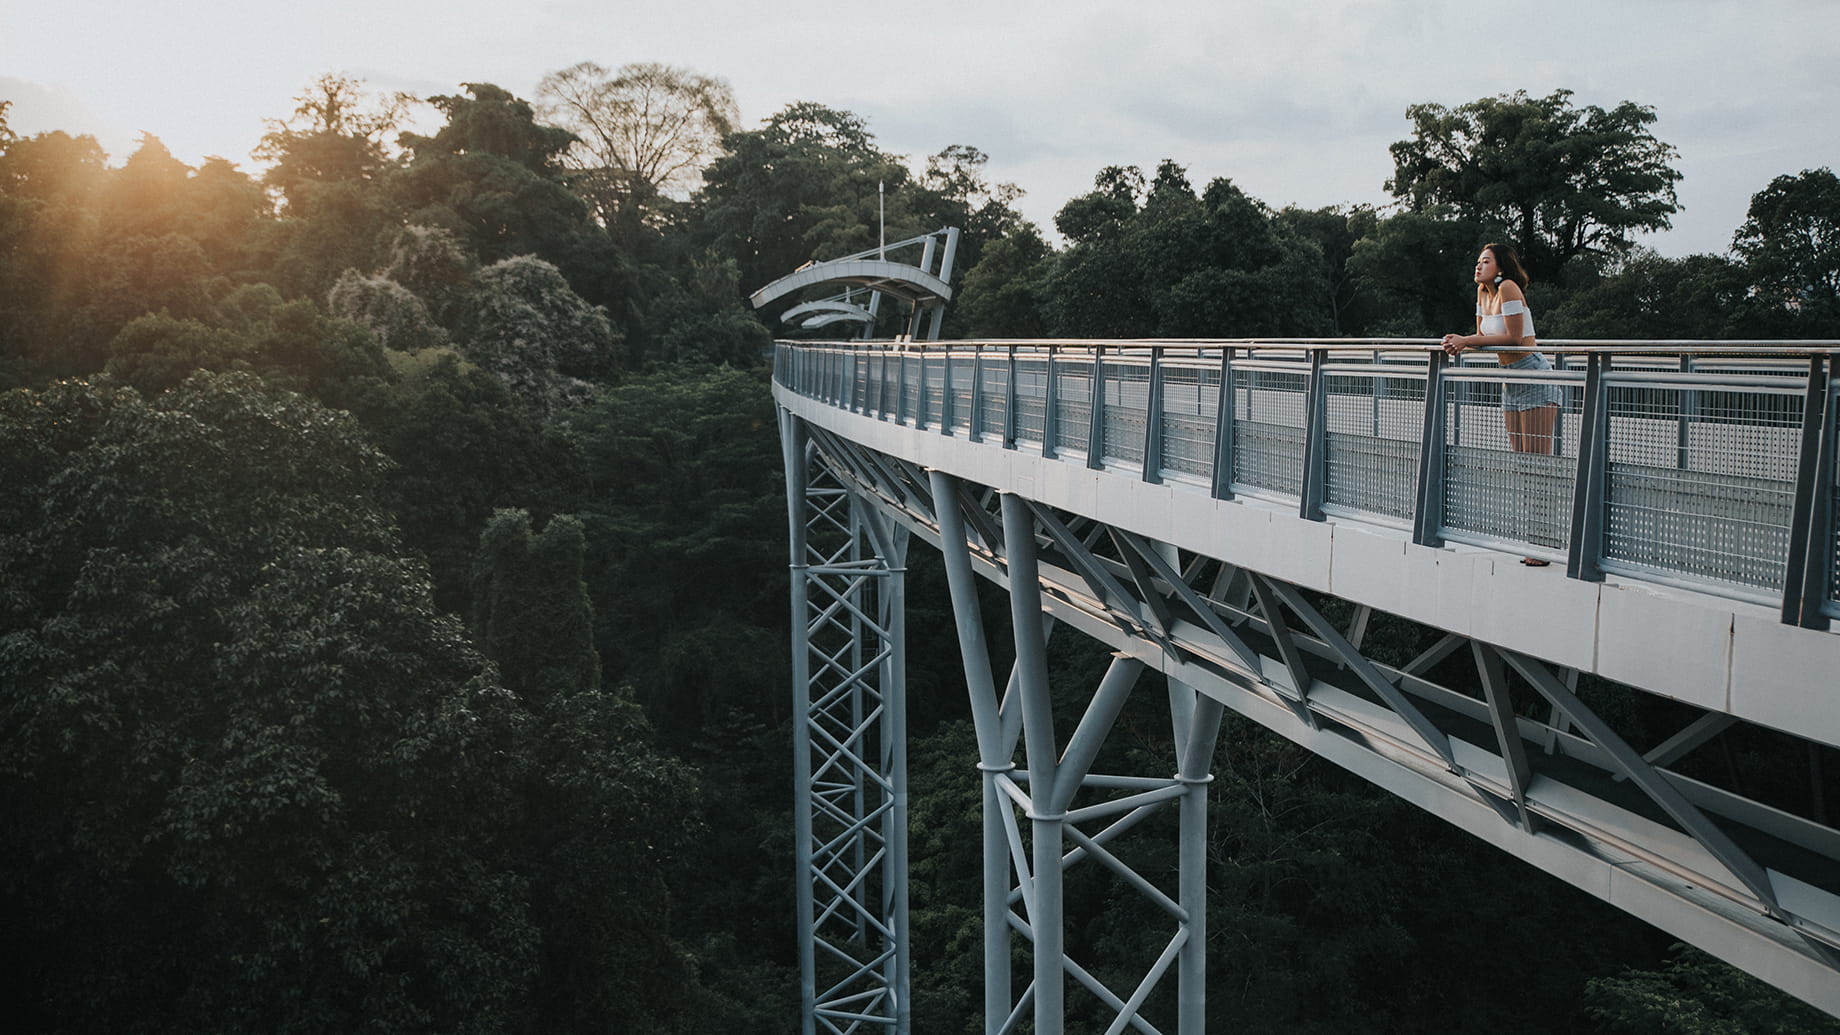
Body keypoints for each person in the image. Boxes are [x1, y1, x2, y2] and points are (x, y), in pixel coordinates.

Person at [1440, 242, 1565, 566]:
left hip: (1534, 376)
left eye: (1485, 261)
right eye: (1478, 261)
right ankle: (1536, 540)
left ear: (1502, 266)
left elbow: (1513, 336)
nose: (1478, 266)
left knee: (1539, 466)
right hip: (1510, 379)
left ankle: (1544, 545)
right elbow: (1483, 333)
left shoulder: (1508, 287)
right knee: (1523, 465)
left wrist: (1465, 341)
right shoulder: (1483, 293)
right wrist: (1461, 342)